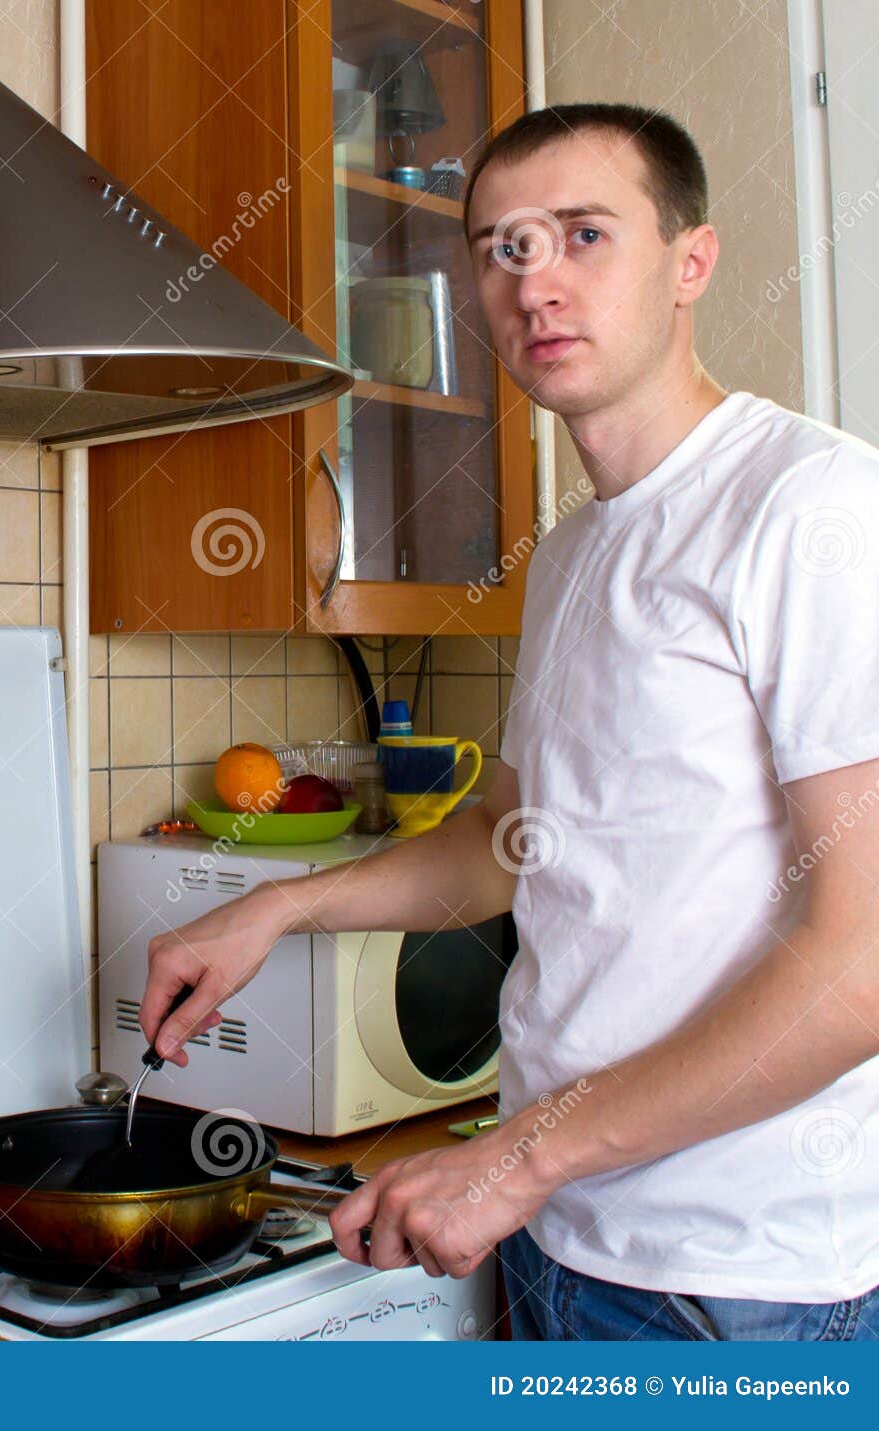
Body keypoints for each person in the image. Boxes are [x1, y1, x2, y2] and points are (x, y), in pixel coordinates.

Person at [137, 102, 879, 1341]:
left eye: (584, 234)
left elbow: (857, 966)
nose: (536, 281)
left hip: (731, 1281)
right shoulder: (576, 549)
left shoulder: (811, 510)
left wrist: (516, 1162)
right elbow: (506, 835)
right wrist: (284, 904)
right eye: (501, 247)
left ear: (689, 261)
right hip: (562, 1234)